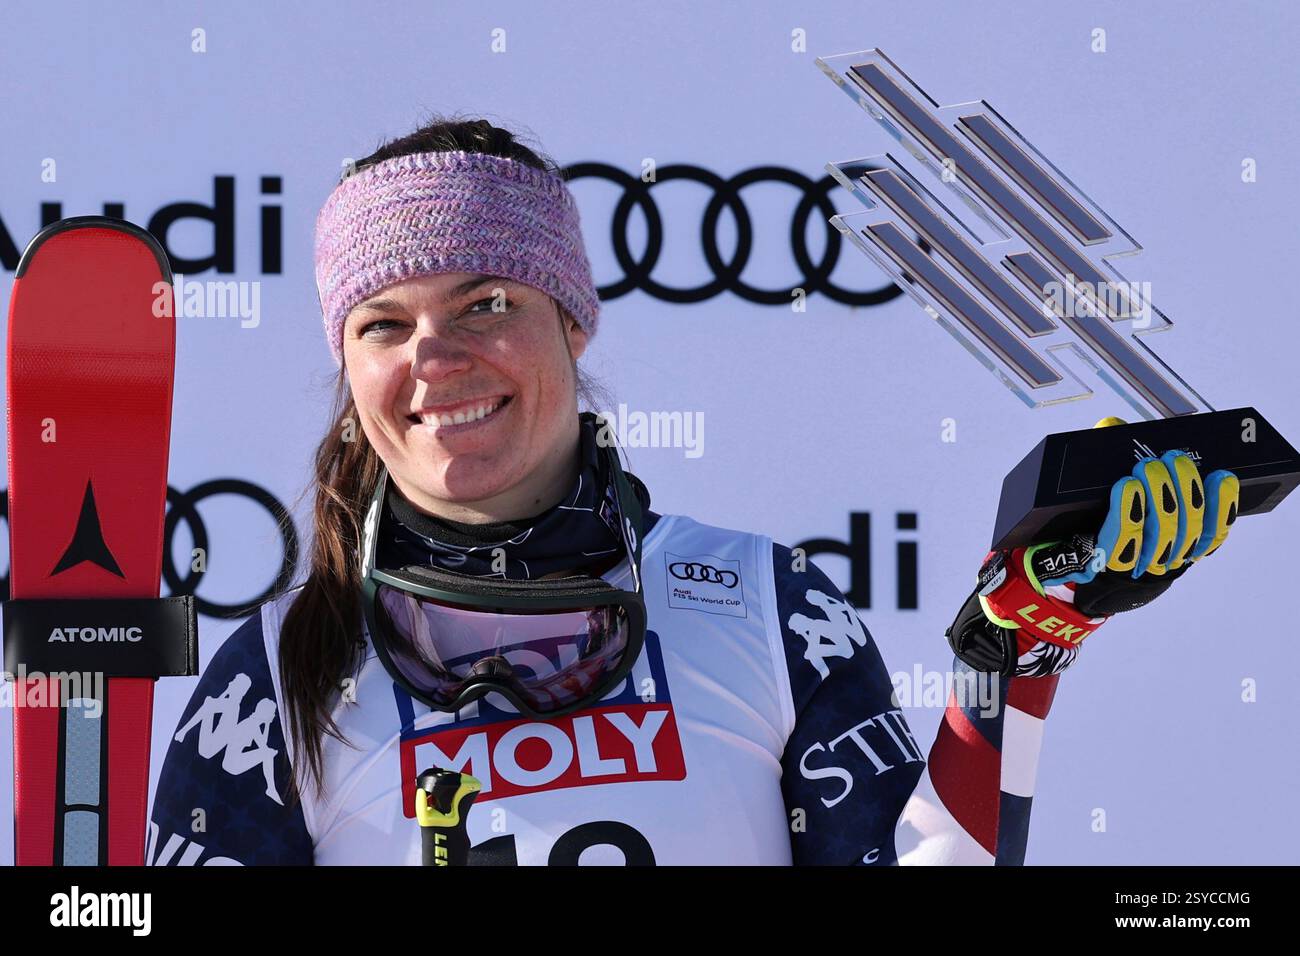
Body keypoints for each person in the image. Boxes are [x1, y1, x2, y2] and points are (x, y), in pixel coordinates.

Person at [147, 117, 1240, 866]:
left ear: (573, 320)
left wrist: (1017, 655)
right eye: (383, 323)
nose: (435, 358)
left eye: (485, 303)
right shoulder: (281, 671)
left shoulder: (762, 602)